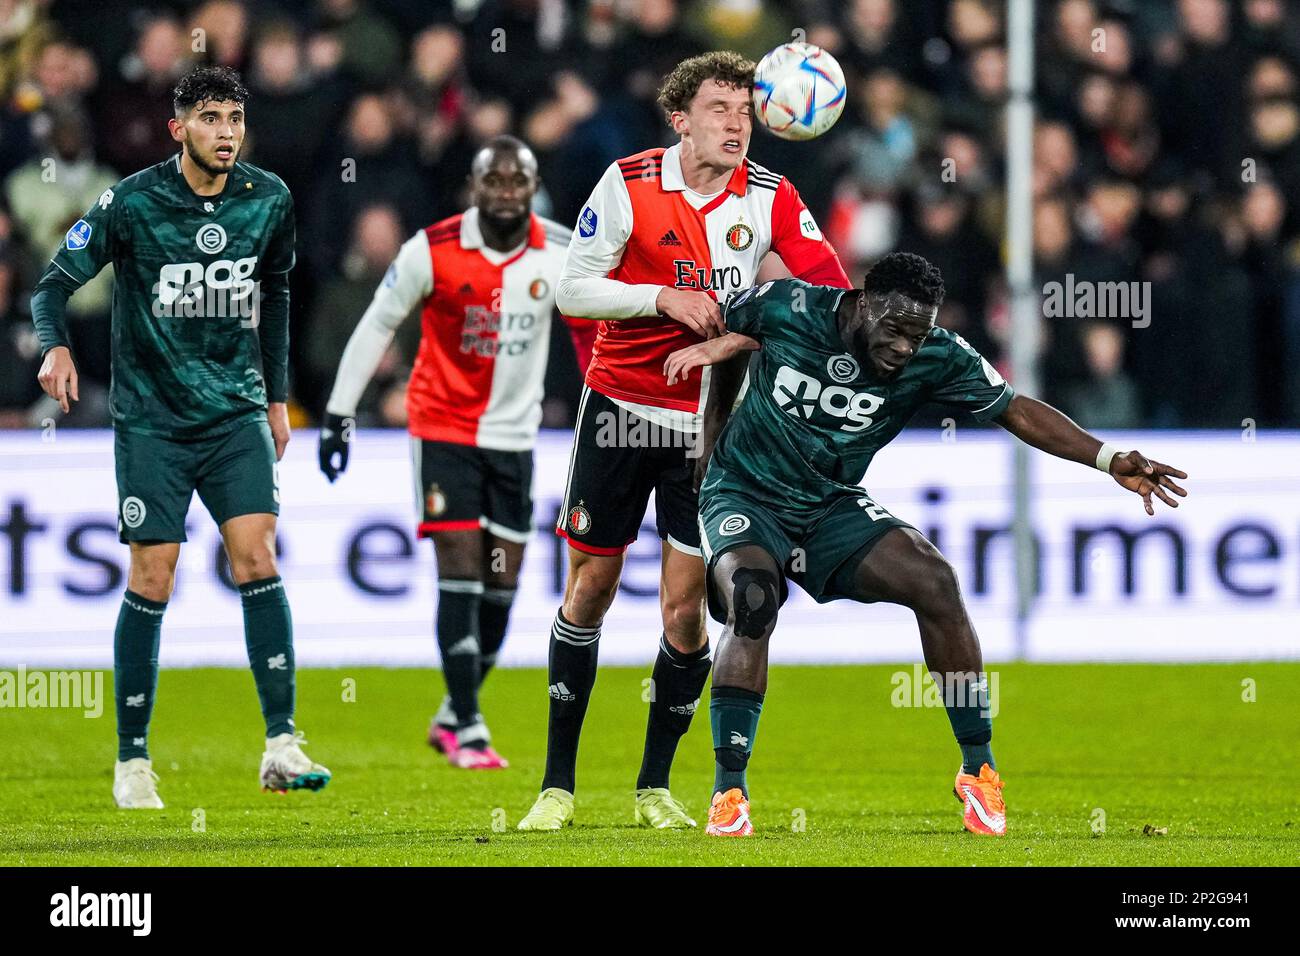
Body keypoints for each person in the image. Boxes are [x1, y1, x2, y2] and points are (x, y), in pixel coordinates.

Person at [663, 252, 1188, 837]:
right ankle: (729, 791)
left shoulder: (939, 353)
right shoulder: (788, 305)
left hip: (828, 502)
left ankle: (978, 768)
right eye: (895, 330)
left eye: (918, 334)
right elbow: (733, 337)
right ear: (863, 303)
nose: (906, 348)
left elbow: (1015, 410)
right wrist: (709, 438)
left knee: (935, 581)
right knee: (754, 599)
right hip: (744, 492)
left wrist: (1108, 458)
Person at [517, 51, 850, 831]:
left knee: (682, 613)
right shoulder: (629, 182)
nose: (737, 125)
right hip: (619, 412)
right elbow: (573, 286)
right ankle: (556, 786)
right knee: (590, 590)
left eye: (746, 111)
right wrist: (662, 295)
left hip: (707, 431)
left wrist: (740, 338)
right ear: (681, 120)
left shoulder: (770, 197)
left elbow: (831, 293)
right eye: (720, 111)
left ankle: (653, 788)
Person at [30, 65, 329, 809]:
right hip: (152, 422)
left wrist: (277, 398)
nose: (226, 132)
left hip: (235, 414)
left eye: (234, 117)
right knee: (152, 575)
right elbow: (52, 284)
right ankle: (132, 761)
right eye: (210, 119)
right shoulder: (131, 202)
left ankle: (282, 744)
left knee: (255, 554)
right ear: (178, 129)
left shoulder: (270, 200)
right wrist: (55, 345)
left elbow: (279, 293)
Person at [319, 135, 578, 769]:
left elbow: (609, 311)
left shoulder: (563, 251)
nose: (508, 193)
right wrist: (337, 413)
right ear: (474, 186)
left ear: (533, 186)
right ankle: (467, 725)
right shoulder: (430, 251)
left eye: (519, 182)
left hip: (514, 438)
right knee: (459, 567)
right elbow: (379, 322)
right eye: (496, 181)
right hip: (443, 429)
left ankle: (451, 710)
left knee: (501, 589)